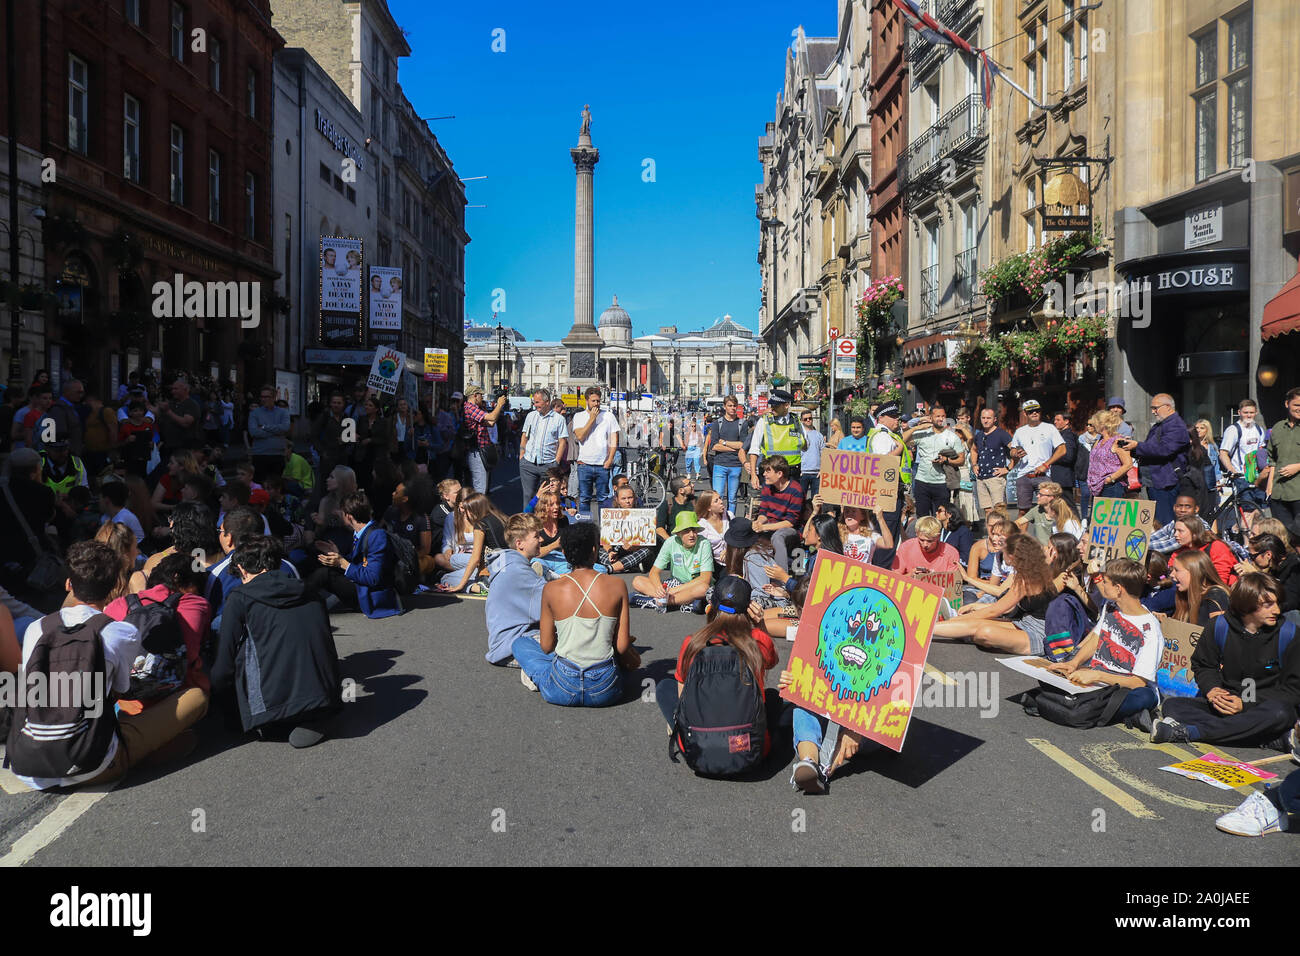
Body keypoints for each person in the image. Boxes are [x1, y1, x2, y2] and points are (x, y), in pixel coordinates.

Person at [12, 541, 208, 790]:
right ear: (116, 585)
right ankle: (139, 752)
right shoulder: (119, 631)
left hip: (29, 767)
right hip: (92, 764)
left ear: (69, 585)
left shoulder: (35, 629)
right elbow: (124, 690)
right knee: (196, 698)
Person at [211, 537, 342, 748]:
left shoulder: (240, 598)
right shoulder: (310, 591)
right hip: (325, 699)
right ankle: (313, 713)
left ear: (243, 570)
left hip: (271, 709)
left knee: (246, 647)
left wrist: (222, 705)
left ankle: (276, 716)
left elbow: (223, 667)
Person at [1154, 573, 1300, 747]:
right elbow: (1204, 665)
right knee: (1173, 706)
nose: (1276, 610)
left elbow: (1293, 690)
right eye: (1268, 605)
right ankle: (1267, 739)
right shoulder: (1219, 626)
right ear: (1247, 604)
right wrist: (1212, 690)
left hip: (1262, 707)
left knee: (1282, 714)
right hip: (1225, 704)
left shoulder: (1289, 634)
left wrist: (1245, 705)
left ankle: (1191, 732)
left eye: (1277, 603)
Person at [658, 574, 780, 765]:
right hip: (749, 752)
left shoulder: (693, 642)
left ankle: (680, 728)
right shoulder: (757, 640)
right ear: (749, 608)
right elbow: (772, 661)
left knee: (665, 687)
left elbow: (683, 696)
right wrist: (761, 625)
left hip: (697, 749)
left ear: (711, 605)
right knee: (772, 697)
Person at [513, 523, 638, 705]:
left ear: (564, 553)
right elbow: (622, 646)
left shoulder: (551, 589)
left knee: (520, 643)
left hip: (563, 685)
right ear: (595, 550)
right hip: (604, 689)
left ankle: (539, 677)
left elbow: (547, 646)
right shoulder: (617, 585)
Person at [1047, 557, 1163, 724]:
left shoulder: (1150, 629)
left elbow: (1137, 682)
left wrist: (1097, 675)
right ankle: (1115, 712)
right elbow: (1097, 637)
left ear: (1118, 589)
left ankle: (1105, 708)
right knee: (1052, 678)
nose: (1101, 585)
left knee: (1142, 696)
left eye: (1105, 582)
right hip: (1099, 680)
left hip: (1126, 687)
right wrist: (1074, 663)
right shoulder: (1111, 605)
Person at [932, 532, 1056, 653]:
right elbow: (1006, 607)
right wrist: (968, 613)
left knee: (984, 632)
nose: (1002, 555)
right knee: (977, 625)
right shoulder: (1028, 572)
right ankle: (928, 629)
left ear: (1012, 556)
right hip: (1024, 622)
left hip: (1039, 634)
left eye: (1004, 552)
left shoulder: (1027, 579)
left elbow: (995, 611)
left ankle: (933, 628)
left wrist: (957, 619)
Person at [306, 491, 402, 618]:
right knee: (318, 563)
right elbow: (357, 562)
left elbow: (373, 578)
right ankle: (299, 598)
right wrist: (337, 554)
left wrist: (341, 562)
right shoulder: (361, 532)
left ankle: (294, 601)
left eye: (341, 513)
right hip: (361, 585)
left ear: (348, 516)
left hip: (372, 594)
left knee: (325, 575)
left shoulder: (377, 535)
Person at [1114, 392, 1189, 527]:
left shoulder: (1176, 425)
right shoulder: (1161, 424)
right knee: (1158, 521)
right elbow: (1151, 448)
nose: (1153, 412)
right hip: (1155, 481)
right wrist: (1132, 448)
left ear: (1168, 407)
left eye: (1155, 408)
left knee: (1165, 522)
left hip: (1165, 481)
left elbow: (1164, 450)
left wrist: (1137, 446)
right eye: (1152, 408)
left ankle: (1167, 548)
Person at [485, 514, 547, 666]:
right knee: (568, 646)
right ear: (520, 543)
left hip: (504, 638)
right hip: (509, 646)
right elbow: (551, 604)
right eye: (536, 536)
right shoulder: (519, 572)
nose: (541, 540)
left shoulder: (508, 562)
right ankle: (534, 672)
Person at [632, 511, 714, 612]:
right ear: (678, 533)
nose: (692, 534)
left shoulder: (704, 543)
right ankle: (682, 602)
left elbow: (705, 579)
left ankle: (658, 602)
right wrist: (659, 589)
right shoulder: (670, 542)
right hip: (675, 583)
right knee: (638, 581)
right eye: (686, 531)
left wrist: (673, 591)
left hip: (694, 585)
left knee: (704, 589)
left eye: (694, 530)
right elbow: (654, 572)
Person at [435, 491, 507, 594]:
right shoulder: (499, 517)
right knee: (455, 559)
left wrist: (460, 586)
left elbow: (475, 559)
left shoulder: (480, 525)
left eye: (467, 511)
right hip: (506, 563)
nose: (466, 515)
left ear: (474, 510)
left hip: (492, 568)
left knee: (446, 578)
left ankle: (479, 587)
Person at [865, 403, 911, 565]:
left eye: (896, 415)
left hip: (886, 492)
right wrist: (899, 449)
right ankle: (881, 571)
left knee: (888, 530)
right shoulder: (883, 437)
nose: (896, 419)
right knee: (887, 533)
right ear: (881, 418)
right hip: (886, 493)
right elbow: (883, 463)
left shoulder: (884, 434)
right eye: (892, 416)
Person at [1008, 399, 1065, 516]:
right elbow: (1013, 450)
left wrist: (1046, 464)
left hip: (1043, 475)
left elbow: (1062, 449)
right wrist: (1015, 453)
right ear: (1025, 413)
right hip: (1024, 475)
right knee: (1023, 511)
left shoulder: (1049, 428)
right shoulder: (1020, 431)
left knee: (1049, 509)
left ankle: (1050, 534)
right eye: (1030, 411)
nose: (1034, 413)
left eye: (1037, 410)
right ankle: (1020, 535)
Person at [572, 387, 619, 519]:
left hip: (602, 464)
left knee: (603, 499)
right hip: (584, 464)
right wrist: (591, 419)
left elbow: (613, 439)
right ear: (586, 400)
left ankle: (604, 530)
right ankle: (586, 529)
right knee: (584, 499)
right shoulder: (579, 416)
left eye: (598, 401)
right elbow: (580, 436)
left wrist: (610, 459)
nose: (596, 404)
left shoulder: (608, 416)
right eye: (593, 401)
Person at [1219, 399, 1268, 524]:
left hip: (1257, 475)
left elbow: (1261, 450)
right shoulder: (1233, 430)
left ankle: (1237, 530)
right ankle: (1246, 542)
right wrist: (1233, 471)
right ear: (1239, 412)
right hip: (1241, 475)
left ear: (1256, 412)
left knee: (1259, 510)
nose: (1249, 415)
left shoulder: (1258, 429)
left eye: (1251, 412)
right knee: (1247, 511)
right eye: (1245, 412)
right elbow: (1223, 453)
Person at [752, 455, 804, 572]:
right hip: (771, 525)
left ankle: (781, 578)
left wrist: (764, 527)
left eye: (768, 471)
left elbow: (790, 523)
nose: (764, 474)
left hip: (791, 531)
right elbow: (763, 511)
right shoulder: (767, 486)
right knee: (746, 530)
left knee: (778, 536)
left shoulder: (796, 490)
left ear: (779, 474)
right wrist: (758, 522)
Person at [519, 388, 568, 511]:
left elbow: (562, 442)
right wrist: (521, 455)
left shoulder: (559, 419)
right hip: (528, 462)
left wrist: (556, 462)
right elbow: (525, 436)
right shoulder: (531, 416)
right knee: (528, 496)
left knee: (548, 497)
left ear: (547, 402)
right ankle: (526, 525)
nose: (535, 405)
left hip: (548, 464)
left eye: (537, 402)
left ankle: (545, 525)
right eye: (534, 402)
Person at [747, 389, 807, 487]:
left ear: (786, 405)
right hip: (771, 474)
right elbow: (754, 449)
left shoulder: (797, 422)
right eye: (772, 405)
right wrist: (753, 475)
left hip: (792, 474)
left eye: (776, 405)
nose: (772, 408)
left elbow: (805, 446)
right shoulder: (764, 422)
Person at [384, 477, 436, 580]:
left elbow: (425, 549)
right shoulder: (390, 511)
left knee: (429, 561)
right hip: (391, 555)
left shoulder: (421, 518)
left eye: (396, 492)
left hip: (412, 557)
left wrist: (407, 557)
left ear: (405, 499)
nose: (393, 494)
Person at [706, 395, 750, 516]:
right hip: (720, 464)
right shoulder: (717, 423)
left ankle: (731, 523)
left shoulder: (742, 423)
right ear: (725, 407)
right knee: (717, 497)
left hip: (736, 465)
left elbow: (742, 445)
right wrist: (733, 447)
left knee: (732, 499)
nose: (733, 408)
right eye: (730, 406)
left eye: (735, 406)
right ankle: (718, 521)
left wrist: (724, 442)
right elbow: (714, 446)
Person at [598, 484, 656, 574]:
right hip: (616, 552)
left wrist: (634, 546)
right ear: (617, 500)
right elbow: (606, 540)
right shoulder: (610, 515)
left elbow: (647, 541)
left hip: (634, 551)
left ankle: (610, 568)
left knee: (647, 551)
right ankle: (626, 566)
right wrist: (610, 552)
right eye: (624, 499)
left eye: (630, 498)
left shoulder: (644, 515)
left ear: (635, 498)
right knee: (597, 550)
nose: (627, 501)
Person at [1266, 388, 1300, 542]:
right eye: (1297, 405)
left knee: (1298, 537)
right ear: (1287, 404)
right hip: (1279, 493)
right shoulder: (1278, 428)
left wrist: (1298, 466)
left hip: (1298, 493)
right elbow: (1272, 459)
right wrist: (1269, 485)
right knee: (1282, 538)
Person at [1236, 533, 1300, 613]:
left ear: (1268, 555)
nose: (1252, 560)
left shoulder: (1294, 568)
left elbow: (1288, 602)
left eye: (1253, 556)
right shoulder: (1275, 568)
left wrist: (1256, 575)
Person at [462, 385, 508, 494]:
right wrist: (499, 404)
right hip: (475, 451)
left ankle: (477, 507)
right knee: (480, 485)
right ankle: (477, 509)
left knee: (481, 482)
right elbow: (492, 417)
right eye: (481, 395)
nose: (482, 397)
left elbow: (491, 423)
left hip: (480, 450)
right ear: (475, 395)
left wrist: (498, 407)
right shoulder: (470, 407)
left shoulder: (475, 408)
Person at [1171, 514, 1238, 588]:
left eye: (1180, 531)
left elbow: (1221, 579)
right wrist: (1162, 578)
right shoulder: (1180, 551)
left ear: (1194, 534)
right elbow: (1167, 573)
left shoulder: (1216, 546)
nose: (1175, 534)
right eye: (1175, 530)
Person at [1169, 549, 1229, 627]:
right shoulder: (1184, 595)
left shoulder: (1216, 595)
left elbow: (1220, 633)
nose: (1171, 574)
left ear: (1194, 572)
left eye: (1177, 570)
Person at [1086, 409, 1133, 502]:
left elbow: (1128, 464)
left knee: (1110, 516)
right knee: (1095, 516)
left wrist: (1110, 479)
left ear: (1102, 424)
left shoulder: (1118, 440)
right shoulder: (1098, 441)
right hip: (1097, 487)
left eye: (1094, 423)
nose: (1093, 426)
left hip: (1112, 487)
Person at [1015, 481, 1083, 544]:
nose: (1037, 496)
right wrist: (1025, 537)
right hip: (1039, 550)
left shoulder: (1061, 513)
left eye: (1041, 495)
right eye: (1038, 494)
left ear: (1051, 497)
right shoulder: (1037, 509)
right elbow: (1018, 522)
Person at [248, 383, 291, 482]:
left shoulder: (283, 412)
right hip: (260, 455)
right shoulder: (255, 413)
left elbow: (285, 428)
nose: (264, 399)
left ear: (274, 397)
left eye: (267, 397)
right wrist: (276, 431)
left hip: (277, 454)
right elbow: (254, 432)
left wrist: (263, 427)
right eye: (262, 397)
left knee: (276, 486)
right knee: (260, 485)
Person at [99, 479, 146, 546]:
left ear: (107, 500)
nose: (99, 502)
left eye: (100, 499)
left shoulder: (122, 519)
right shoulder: (105, 517)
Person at [655, 475, 696, 542]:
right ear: (681, 490)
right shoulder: (667, 504)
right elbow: (659, 528)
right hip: (675, 540)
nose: (693, 485)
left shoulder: (696, 502)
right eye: (689, 484)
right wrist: (671, 542)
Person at [695, 489, 731, 562]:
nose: (721, 502)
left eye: (720, 498)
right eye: (716, 501)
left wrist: (729, 550)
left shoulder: (729, 516)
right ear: (708, 508)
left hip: (731, 560)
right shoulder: (702, 526)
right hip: (713, 564)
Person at [798, 408, 826, 498]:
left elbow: (824, 454)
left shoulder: (819, 435)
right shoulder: (799, 435)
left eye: (810, 418)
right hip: (803, 472)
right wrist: (798, 470)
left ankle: (816, 513)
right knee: (800, 499)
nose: (808, 420)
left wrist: (822, 470)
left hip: (817, 473)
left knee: (817, 500)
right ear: (801, 421)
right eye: (806, 419)